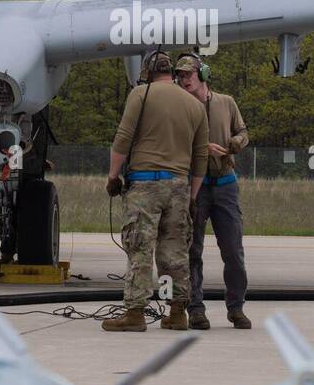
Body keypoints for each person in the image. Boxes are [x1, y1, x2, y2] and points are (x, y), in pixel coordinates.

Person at [102, 51, 208, 332]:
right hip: (179, 187)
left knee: (139, 248)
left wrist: (113, 176)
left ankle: (135, 313)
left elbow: (123, 139)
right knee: (174, 252)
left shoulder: (141, 94)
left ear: (147, 70)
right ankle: (176, 313)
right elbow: (200, 159)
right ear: (171, 72)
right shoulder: (195, 105)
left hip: (145, 185)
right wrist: (193, 196)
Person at [175, 54, 251, 329]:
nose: (184, 80)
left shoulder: (226, 103)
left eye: (188, 75)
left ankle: (236, 307)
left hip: (225, 184)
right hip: (195, 186)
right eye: (180, 76)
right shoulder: (179, 107)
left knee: (233, 249)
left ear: (203, 74)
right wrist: (202, 147)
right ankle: (195, 308)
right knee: (192, 250)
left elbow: (244, 132)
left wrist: (233, 144)